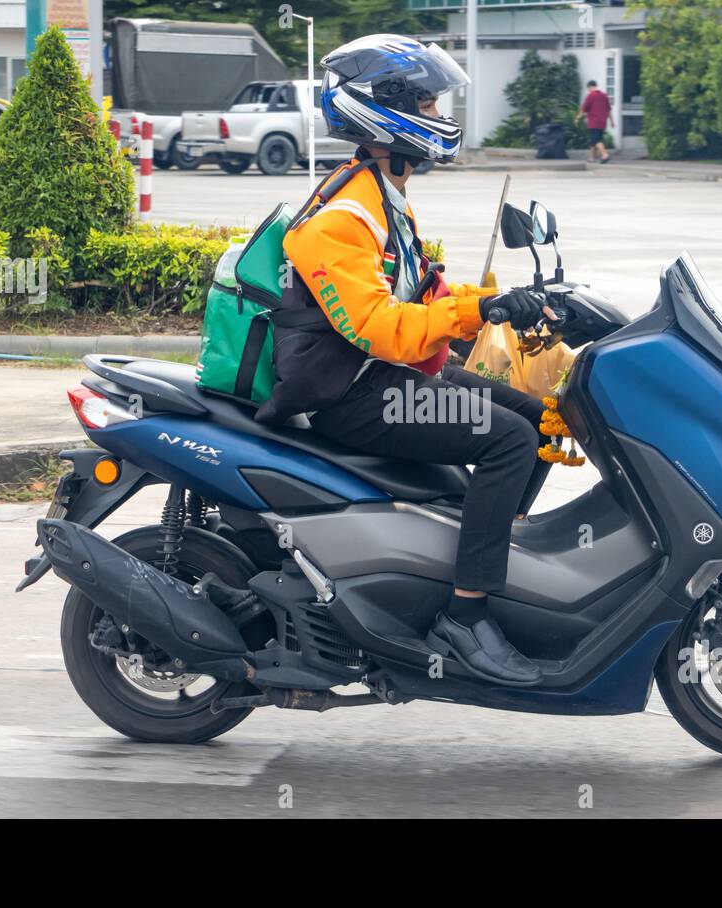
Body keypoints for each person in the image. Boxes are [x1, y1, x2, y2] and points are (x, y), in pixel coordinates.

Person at [255, 34, 554, 686]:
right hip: (355, 394)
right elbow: (379, 330)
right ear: (383, 111)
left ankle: (485, 555)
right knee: (509, 441)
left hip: (390, 376)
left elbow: (425, 295)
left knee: (543, 420)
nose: (438, 113)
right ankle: (466, 616)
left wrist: (508, 304)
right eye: (426, 100)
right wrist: (478, 313)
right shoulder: (343, 216)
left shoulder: (380, 193)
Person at [576, 80, 613, 164]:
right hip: (603, 122)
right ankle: (591, 158)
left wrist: (577, 118)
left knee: (596, 140)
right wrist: (612, 121)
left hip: (594, 122)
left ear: (590, 87)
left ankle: (604, 154)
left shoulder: (590, 96)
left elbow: (583, 109)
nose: (588, 91)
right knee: (594, 140)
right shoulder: (604, 96)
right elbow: (608, 110)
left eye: (588, 89)